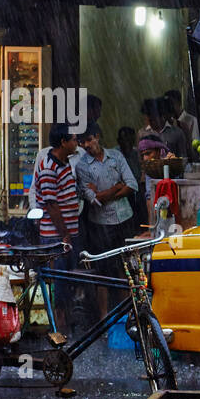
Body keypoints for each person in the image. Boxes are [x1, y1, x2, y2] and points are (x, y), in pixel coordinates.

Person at [75, 127, 138, 318]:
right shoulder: (82, 166)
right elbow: (93, 199)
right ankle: (104, 318)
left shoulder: (116, 157)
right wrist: (116, 188)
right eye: (82, 142)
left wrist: (105, 193)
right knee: (103, 271)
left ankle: (128, 314)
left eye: (88, 140)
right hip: (100, 224)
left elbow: (132, 185)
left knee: (124, 269)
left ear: (97, 136)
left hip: (124, 218)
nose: (86, 145)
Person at [34, 123, 82, 332]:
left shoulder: (64, 164)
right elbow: (52, 206)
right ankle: (58, 326)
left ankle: (66, 322)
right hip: (56, 237)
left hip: (68, 234)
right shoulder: (48, 168)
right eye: (73, 139)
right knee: (59, 283)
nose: (76, 142)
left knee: (68, 280)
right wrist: (65, 235)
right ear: (63, 142)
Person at [118, 126, 148, 232]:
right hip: (122, 192)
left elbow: (141, 173)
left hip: (137, 190)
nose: (127, 142)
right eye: (124, 139)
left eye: (129, 139)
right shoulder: (115, 155)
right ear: (119, 141)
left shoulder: (137, 153)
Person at [165, 89, 200, 161]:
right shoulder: (166, 124)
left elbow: (197, 150)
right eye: (167, 105)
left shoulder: (192, 121)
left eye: (172, 103)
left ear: (179, 103)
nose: (170, 107)